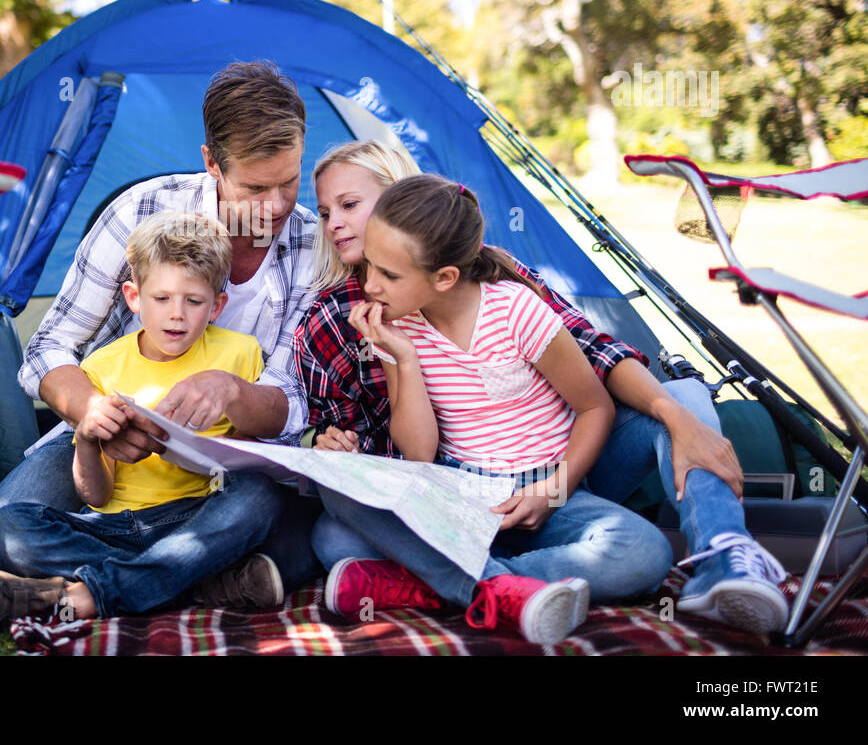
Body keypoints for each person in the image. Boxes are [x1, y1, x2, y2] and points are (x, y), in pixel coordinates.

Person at [297, 141, 789, 636]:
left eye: (386, 273)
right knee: (335, 527)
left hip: (550, 479)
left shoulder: (512, 301)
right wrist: (399, 356)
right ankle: (497, 585)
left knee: (646, 548)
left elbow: (594, 395)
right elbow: (420, 452)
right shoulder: (393, 323)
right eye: (325, 212)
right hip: (462, 492)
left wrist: (553, 493)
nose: (372, 287)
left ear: (443, 274)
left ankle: (725, 556)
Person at [0, 60, 323, 597]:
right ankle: (197, 576)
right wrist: (93, 414)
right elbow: (50, 348)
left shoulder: (314, 249)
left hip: (233, 473)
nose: (274, 208)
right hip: (115, 462)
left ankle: (97, 584)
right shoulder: (140, 211)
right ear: (212, 164)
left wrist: (231, 391)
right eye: (254, 187)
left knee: (287, 535)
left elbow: (290, 404)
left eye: (289, 182)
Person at [0, 212, 285, 627]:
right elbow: (95, 495)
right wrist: (87, 439)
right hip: (113, 528)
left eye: (194, 301)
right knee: (8, 526)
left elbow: (245, 463)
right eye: (162, 298)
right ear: (134, 297)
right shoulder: (104, 366)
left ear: (218, 306)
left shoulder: (240, 354)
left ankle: (80, 595)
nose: (177, 315)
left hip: (194, 521)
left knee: (260, 495)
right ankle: (199, 582)